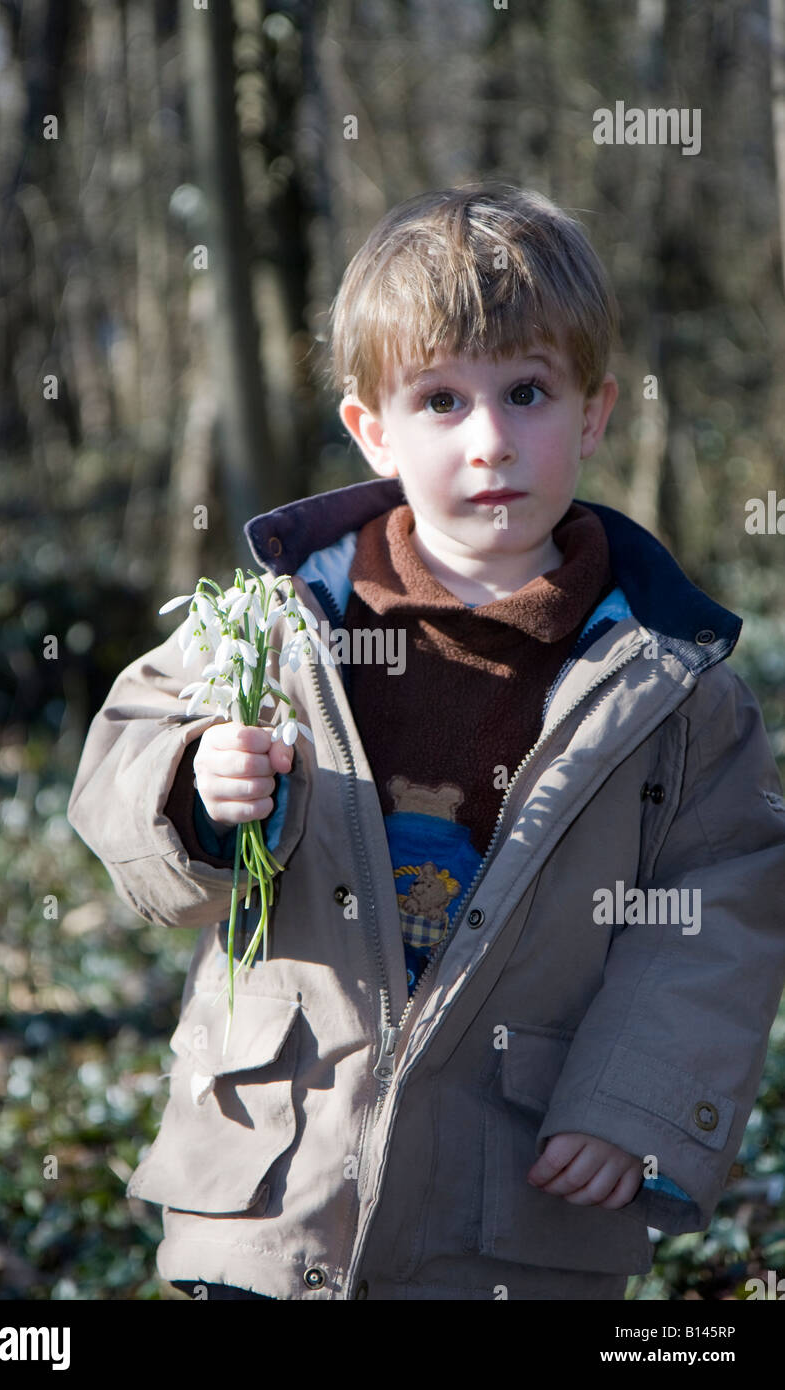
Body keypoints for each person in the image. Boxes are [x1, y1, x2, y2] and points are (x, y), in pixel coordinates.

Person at [67, 184, 785, 1301]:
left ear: (592, 414)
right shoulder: (275, 622)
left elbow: (720, 906)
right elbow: (122, 765)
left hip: (512, 1206)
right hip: (272, 1189)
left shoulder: (668, 682)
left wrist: (633, 1104)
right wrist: (193, 784)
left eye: (527, 392)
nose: (490, 439)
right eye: (441, 399)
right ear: (372, 430)